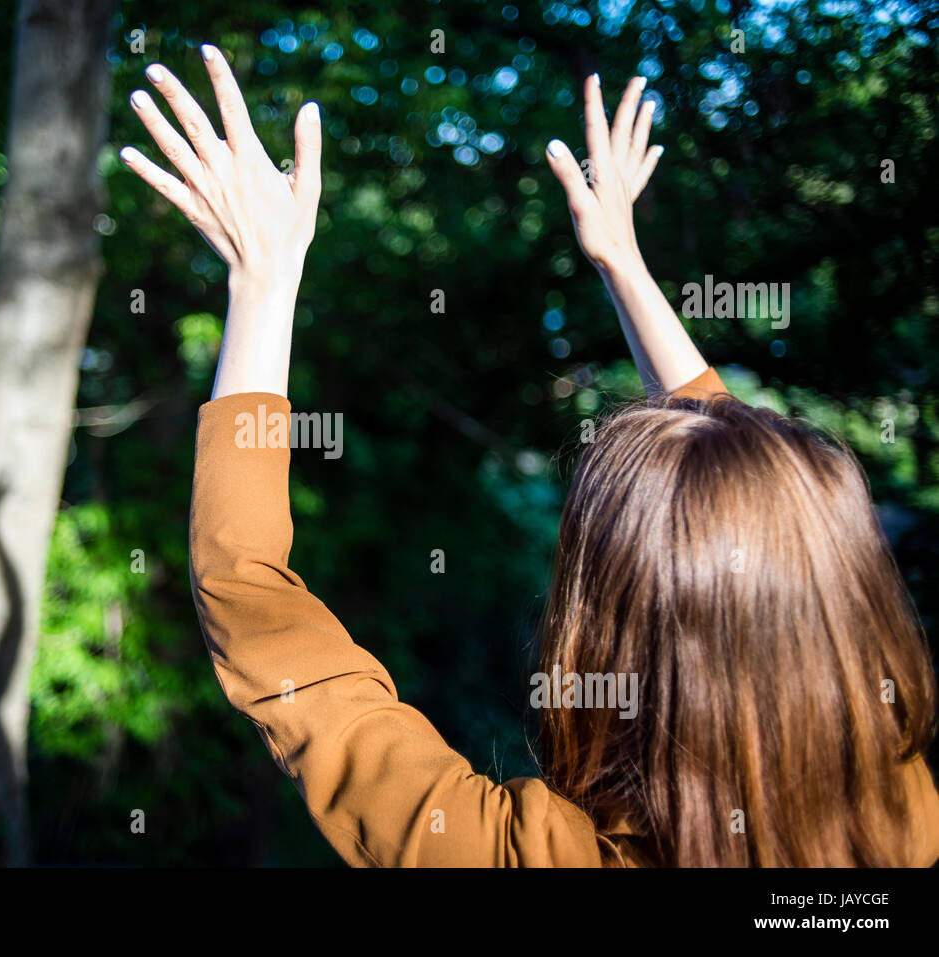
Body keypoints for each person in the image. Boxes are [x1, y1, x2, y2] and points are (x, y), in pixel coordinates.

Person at [121, 45, 939, 866]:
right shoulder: (908, 811)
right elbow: (749, 495)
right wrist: (623, 259)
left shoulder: (515, 851)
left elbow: (246, 589)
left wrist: (263, 279)